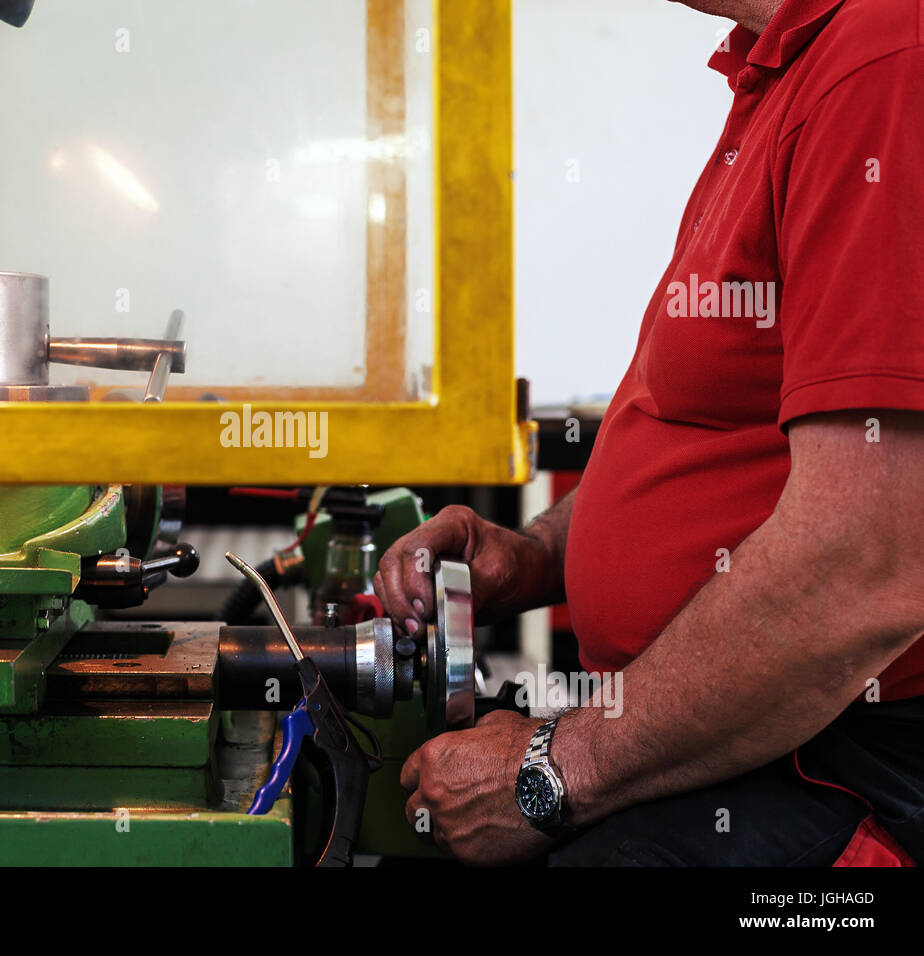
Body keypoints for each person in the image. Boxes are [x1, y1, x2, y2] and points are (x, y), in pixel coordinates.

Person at [376, 0, 924, 865]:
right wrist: (533, 556)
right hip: (737, 740)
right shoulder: (777, 72)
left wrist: (553, 769)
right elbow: (716, 435)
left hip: (842, 762)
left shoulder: (888, 59)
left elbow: (866, 565)